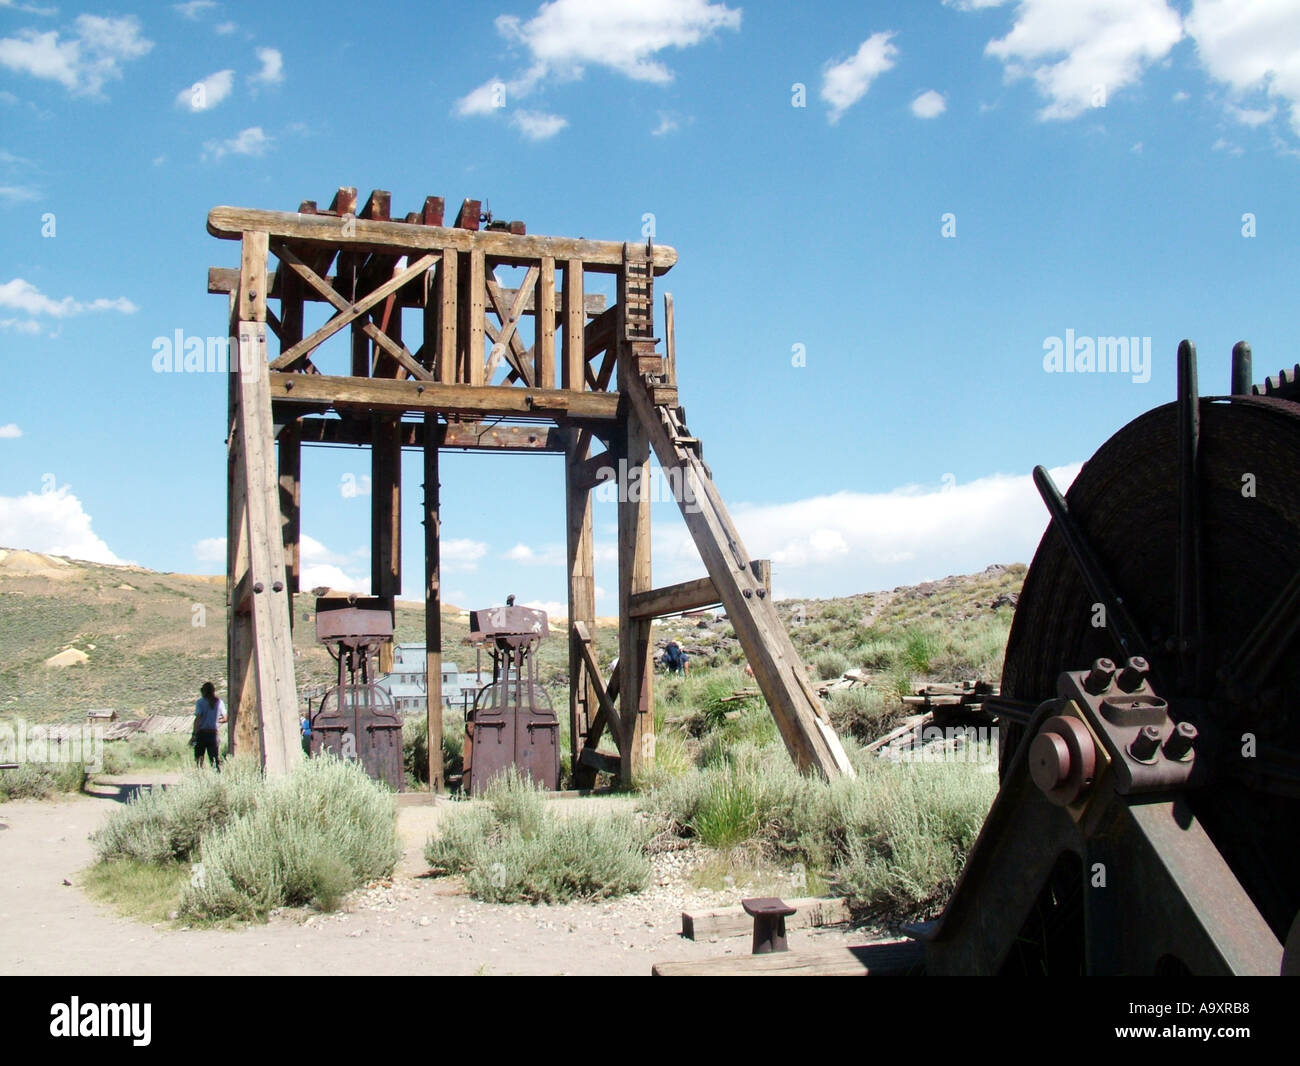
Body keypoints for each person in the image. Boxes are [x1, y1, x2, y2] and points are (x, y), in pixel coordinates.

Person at [192, 682, 227, 771]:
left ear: (203, 691)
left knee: (199, 760)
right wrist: (215, 721)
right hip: (213, 734)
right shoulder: (219, 702)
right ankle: (218, 779)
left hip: (202, 734)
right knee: (214, 760)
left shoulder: (200, 702)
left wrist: (193, 735)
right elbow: (225, 718)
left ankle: (200, 779)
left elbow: (198, 719)